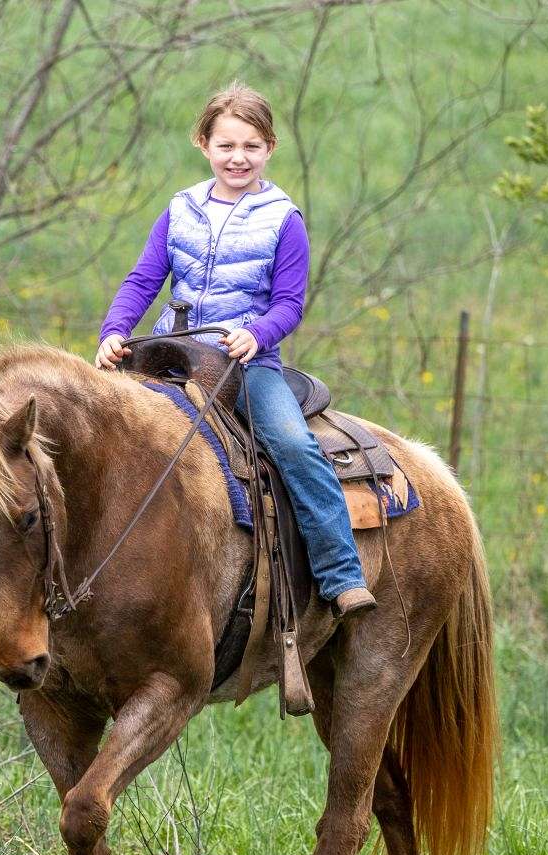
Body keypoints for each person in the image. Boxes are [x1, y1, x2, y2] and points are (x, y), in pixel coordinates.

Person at [94, 82, 376, 620]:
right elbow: (143, 280)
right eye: (226, 145)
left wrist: (257, 334)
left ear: (270, 147)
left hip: (245, 362)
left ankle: (341, 573)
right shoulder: (180, 210)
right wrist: (115, 330)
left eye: (251, 146)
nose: (238, 158)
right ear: (203, 144)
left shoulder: (284, 219)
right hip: (169, 351)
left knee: (293, 445)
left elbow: (289, 304)